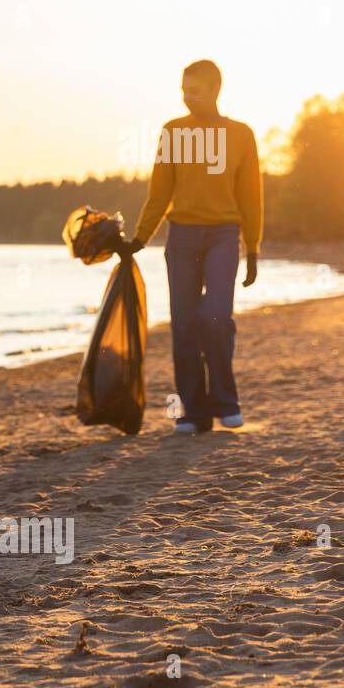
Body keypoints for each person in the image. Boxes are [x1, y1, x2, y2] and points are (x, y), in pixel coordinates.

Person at [117, 60, 262, 433]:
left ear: (215, 89)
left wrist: (254, 247)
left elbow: (250, 196)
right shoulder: (172, 132)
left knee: (214, 318)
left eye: (194, 90)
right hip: (181, 237)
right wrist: (140, 237)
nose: (186, 97)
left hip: (223, 236)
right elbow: (159, 192)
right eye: (183, 90)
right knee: (183, 325)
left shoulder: (241, 134)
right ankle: (191, 412)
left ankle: (225, 401)